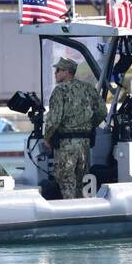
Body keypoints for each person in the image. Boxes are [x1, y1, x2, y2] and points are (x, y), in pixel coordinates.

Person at [42, 56, 106, 199]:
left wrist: (47, 137)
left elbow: (54, 119)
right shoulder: (88, 88)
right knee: (81, 180)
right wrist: (89, 125)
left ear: (67, 72)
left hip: (66, 144)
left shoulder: (60, 91)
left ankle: (70, 210)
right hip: (85, 142)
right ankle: (83, 210)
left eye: (58, 70)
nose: (55, 73)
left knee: (65, 180)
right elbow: (102, 111)